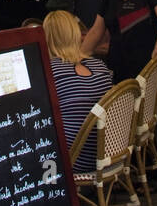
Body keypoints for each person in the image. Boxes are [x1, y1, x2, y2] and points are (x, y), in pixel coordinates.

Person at [44, 10, 114, 174]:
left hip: (73, 160)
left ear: (46, 37)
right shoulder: (100, 67)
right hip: (108, 154)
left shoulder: (50, 72)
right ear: (76, 34)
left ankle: (47, 191)